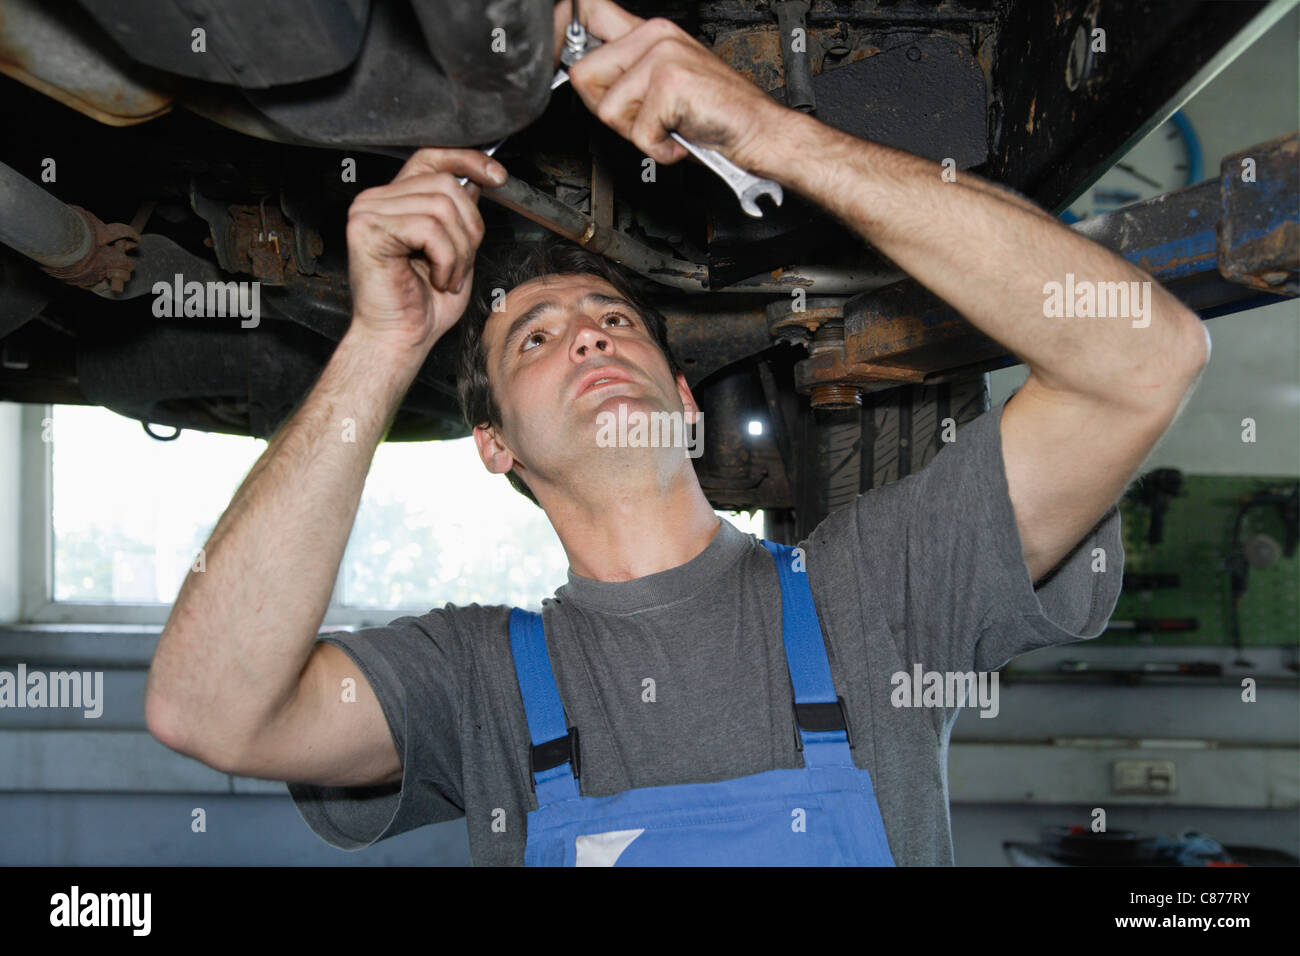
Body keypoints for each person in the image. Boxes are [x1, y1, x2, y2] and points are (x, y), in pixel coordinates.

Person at [144, 0, 1209, 865]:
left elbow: (1143, 357)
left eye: (615, 321)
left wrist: (775, 133)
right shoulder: (476, 681)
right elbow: (210, 710)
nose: (590, 339)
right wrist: (380, 344)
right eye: (534, 339)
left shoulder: (877, 594)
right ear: (496, 446)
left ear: (686, 404)